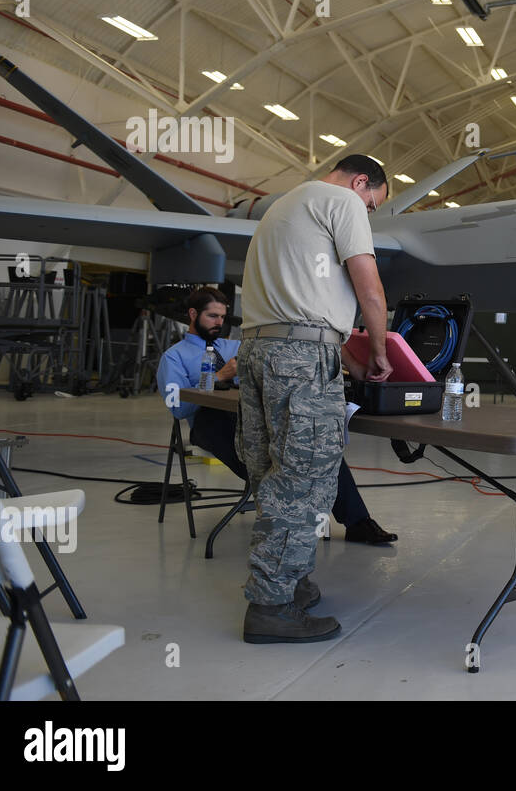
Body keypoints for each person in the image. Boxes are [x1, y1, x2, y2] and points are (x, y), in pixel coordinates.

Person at [235, 154, 393, 644]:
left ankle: (291, 581)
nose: (367, 213)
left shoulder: (282, 207)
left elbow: (301, 306)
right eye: (374, 205)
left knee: (272, 472)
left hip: (258, 350)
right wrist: (381, 350)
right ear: (361, 182)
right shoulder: (342, 200)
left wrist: (348, 361)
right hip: (300, 361)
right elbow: (369, 289)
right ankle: (271, 607)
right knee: (303, 479)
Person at [155, 287, 398, 546]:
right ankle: (289, 520)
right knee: (273, 463)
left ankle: (358, 522)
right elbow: (177, 408)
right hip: (210, 423)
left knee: (316, 444)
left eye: (223, 317)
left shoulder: (235, 346)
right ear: (193, 314)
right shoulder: (174, 357)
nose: (219, 323)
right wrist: (217, 378)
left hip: (251, 415)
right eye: (212, 316)